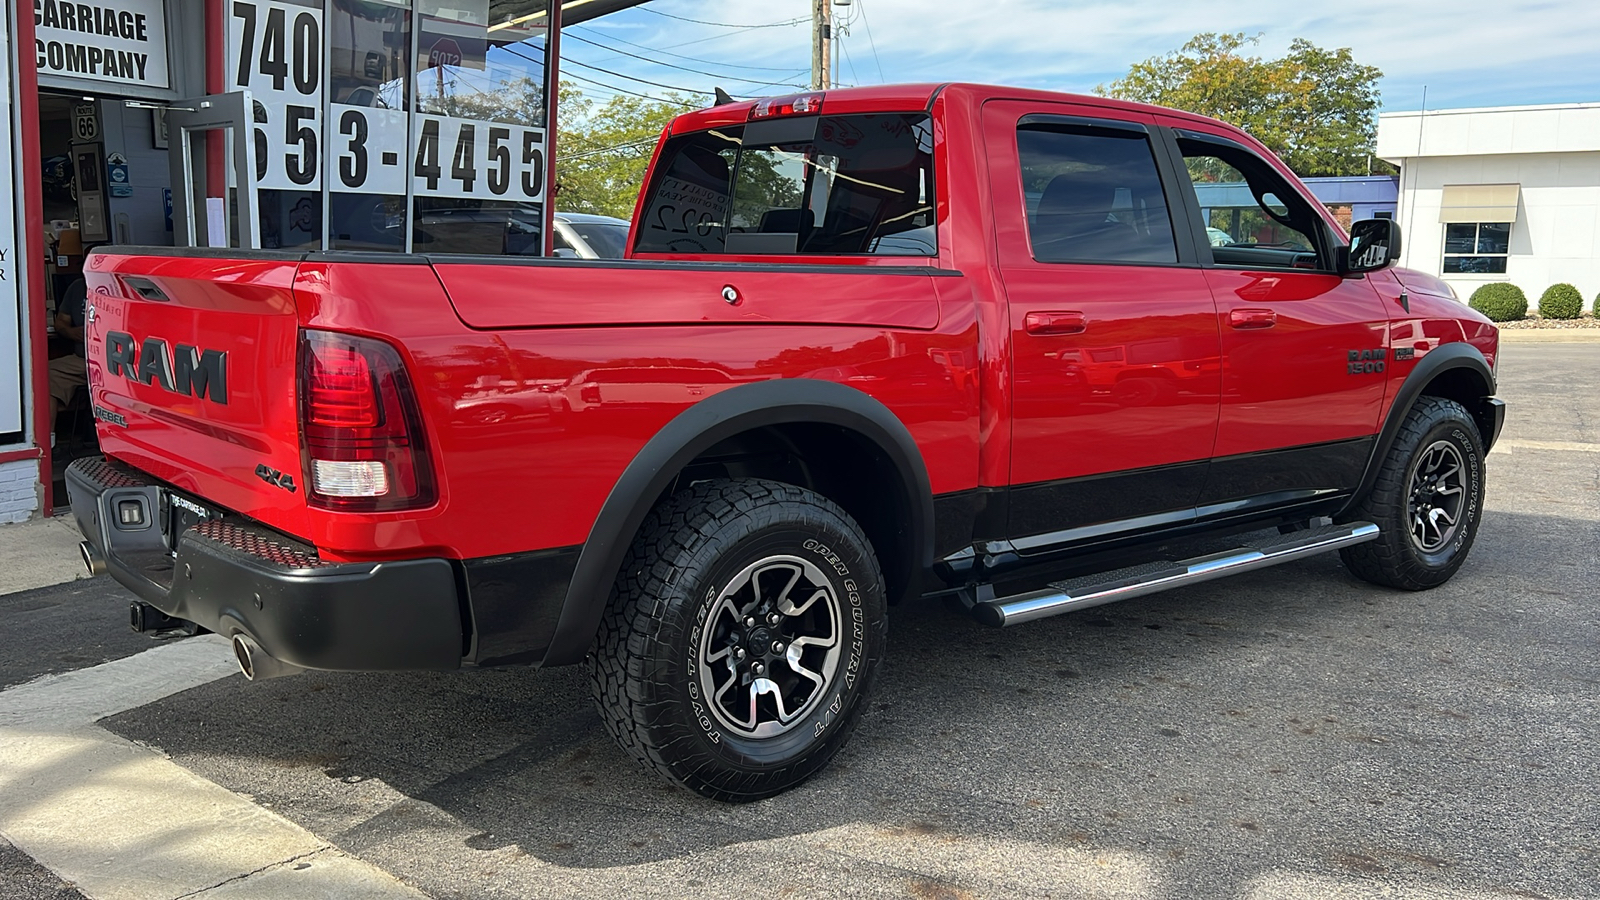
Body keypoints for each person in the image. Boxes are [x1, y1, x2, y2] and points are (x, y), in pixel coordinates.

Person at [48, 277, 88, 446]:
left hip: (111, 361)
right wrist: (71, 332)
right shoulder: (77, 286)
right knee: (43, 374)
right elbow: (61, 322)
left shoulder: (121, 285)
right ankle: (48, 442)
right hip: (81, 359)